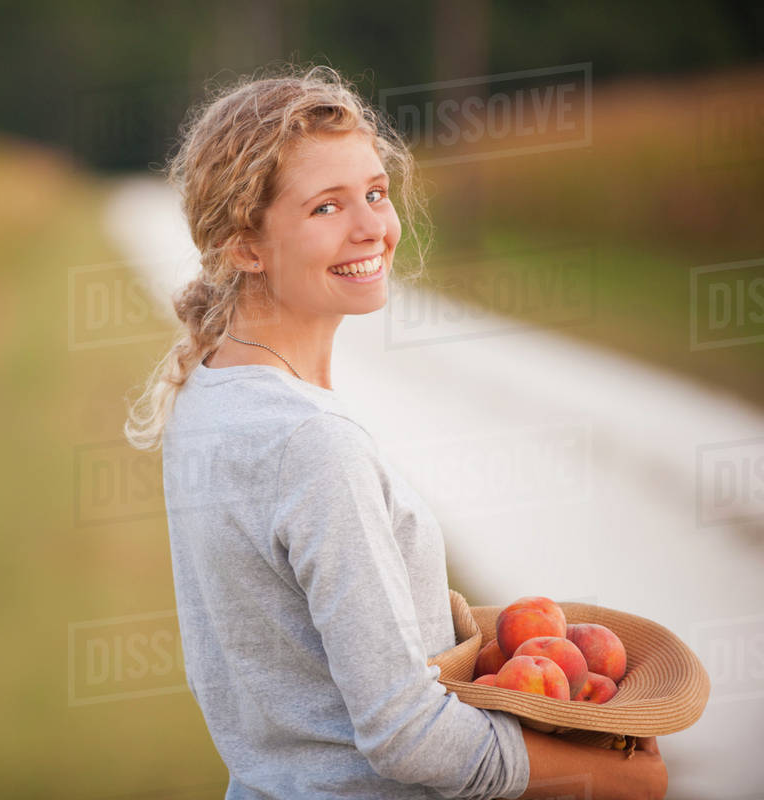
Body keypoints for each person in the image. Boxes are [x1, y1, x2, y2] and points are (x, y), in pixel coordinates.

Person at [123, 64, 668, 799]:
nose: (373, 226)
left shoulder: (207, 392)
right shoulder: (309, 443)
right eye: (326, 207)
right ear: (244, 245)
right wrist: (609, 775)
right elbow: (405, 735)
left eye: (375, 193)